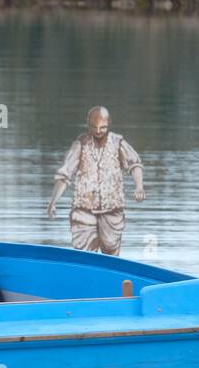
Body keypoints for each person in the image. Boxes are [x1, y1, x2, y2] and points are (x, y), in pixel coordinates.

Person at [45, 106, 145, 256]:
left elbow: (135, 164)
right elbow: (65, 174)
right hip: (84, 210)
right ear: (88, 124)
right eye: (94, 127)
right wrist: (53, 201)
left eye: (102, 127)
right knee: (84, 255)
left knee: (112, 254)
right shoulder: (80, 144)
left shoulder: (118, 143)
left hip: (112, 210)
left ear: (109, 123)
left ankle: (109, 279)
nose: (98, 131)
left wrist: (139, 186)